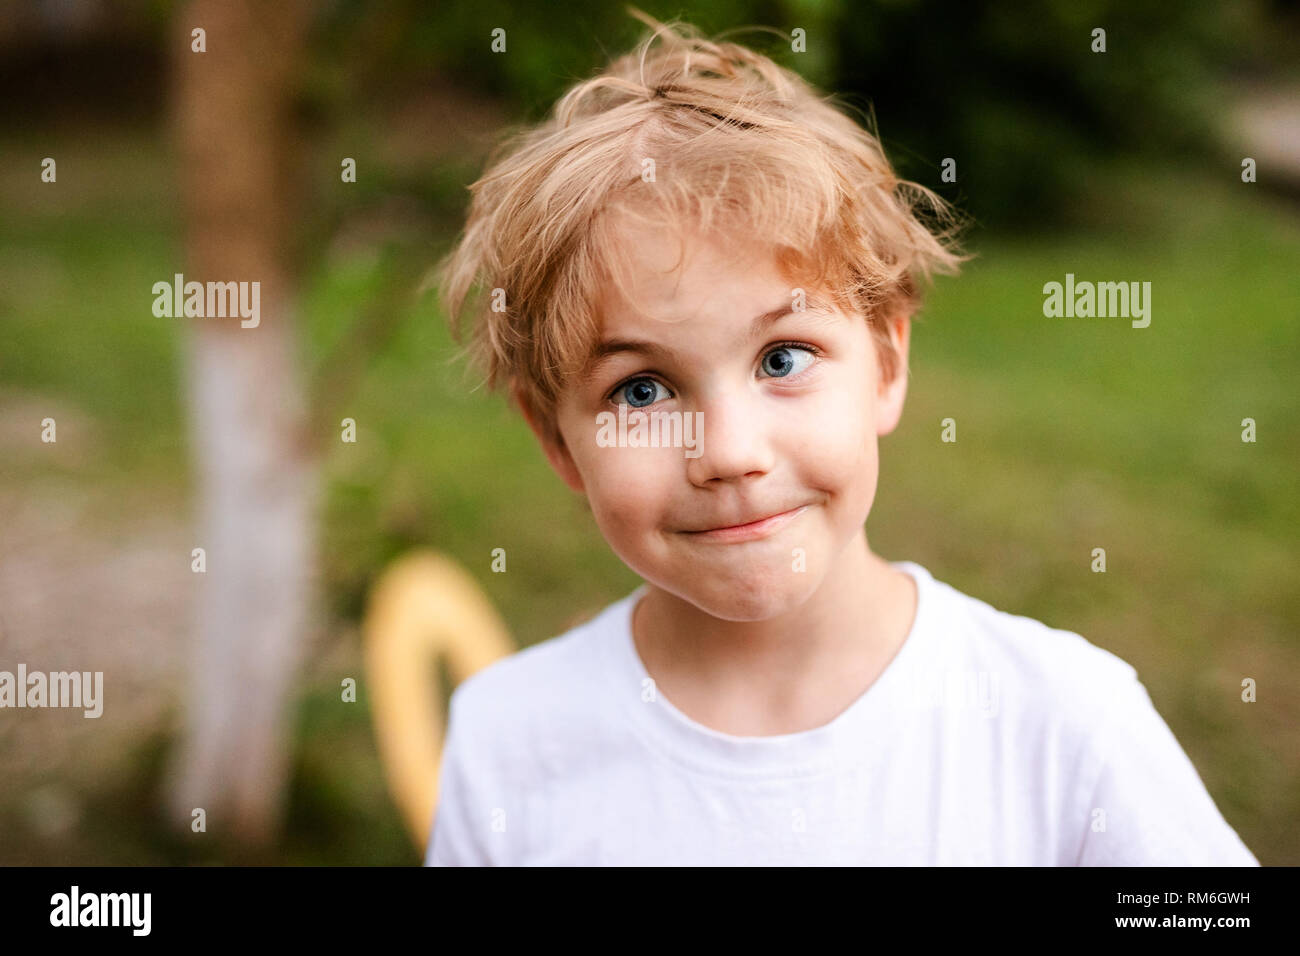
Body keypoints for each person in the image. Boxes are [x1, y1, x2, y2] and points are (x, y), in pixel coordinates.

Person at [423, 11, 1258, 866]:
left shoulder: (1064, 723)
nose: (730, 452)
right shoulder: (509, 744)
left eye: (783, 358)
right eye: (643, 389)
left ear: (887, 366)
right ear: (556, 441)